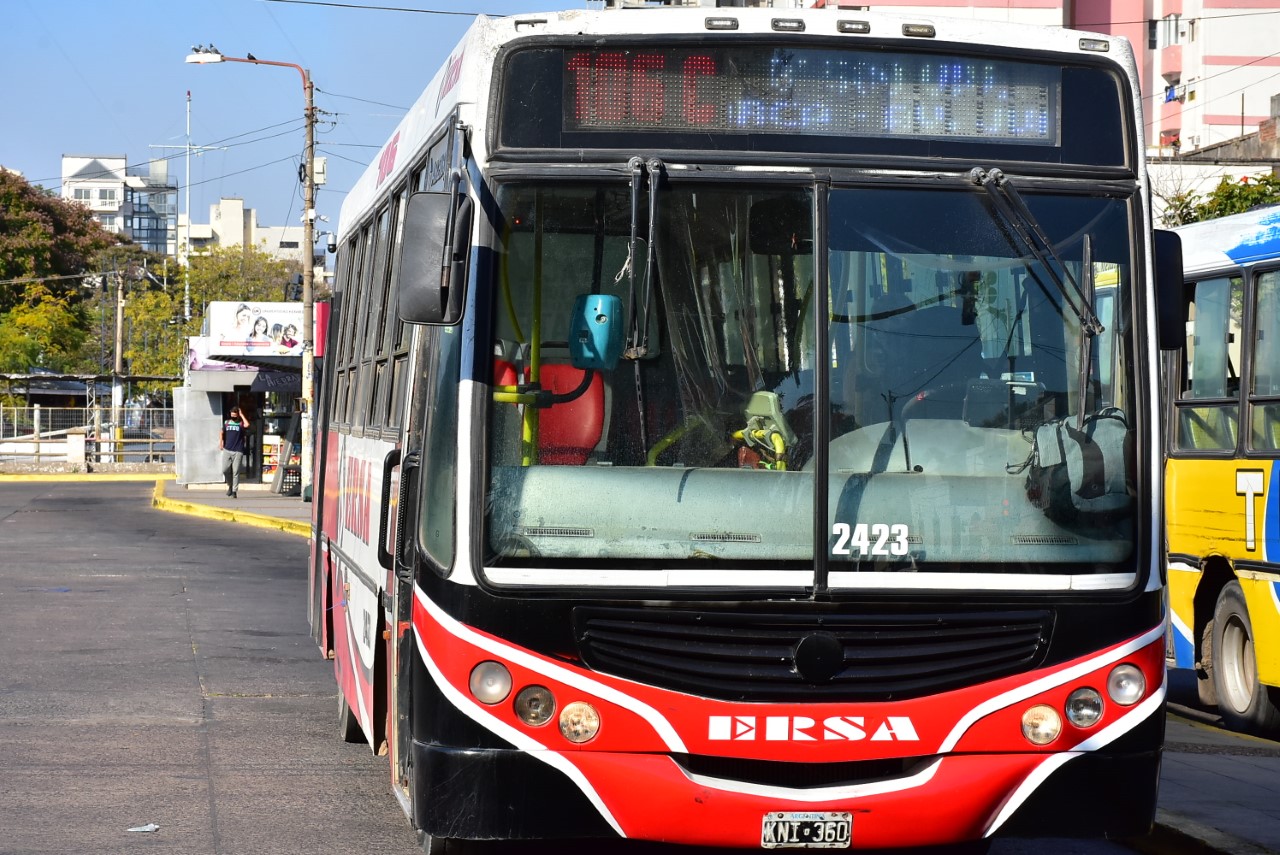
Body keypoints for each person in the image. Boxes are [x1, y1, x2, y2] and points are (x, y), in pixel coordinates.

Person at [220, 406, 250, 498]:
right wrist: (221, 442)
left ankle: (234, 491)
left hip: (238, 450)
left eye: (234, 415)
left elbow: (247, 425)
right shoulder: (227, 423)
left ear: (237, 415)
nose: (233, 416)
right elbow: (221, 432)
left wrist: (241, 414)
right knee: (225, 469)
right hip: (227, 449)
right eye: (231, 415)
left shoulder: (240, 423)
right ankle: (230, 485)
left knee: (236, 471)